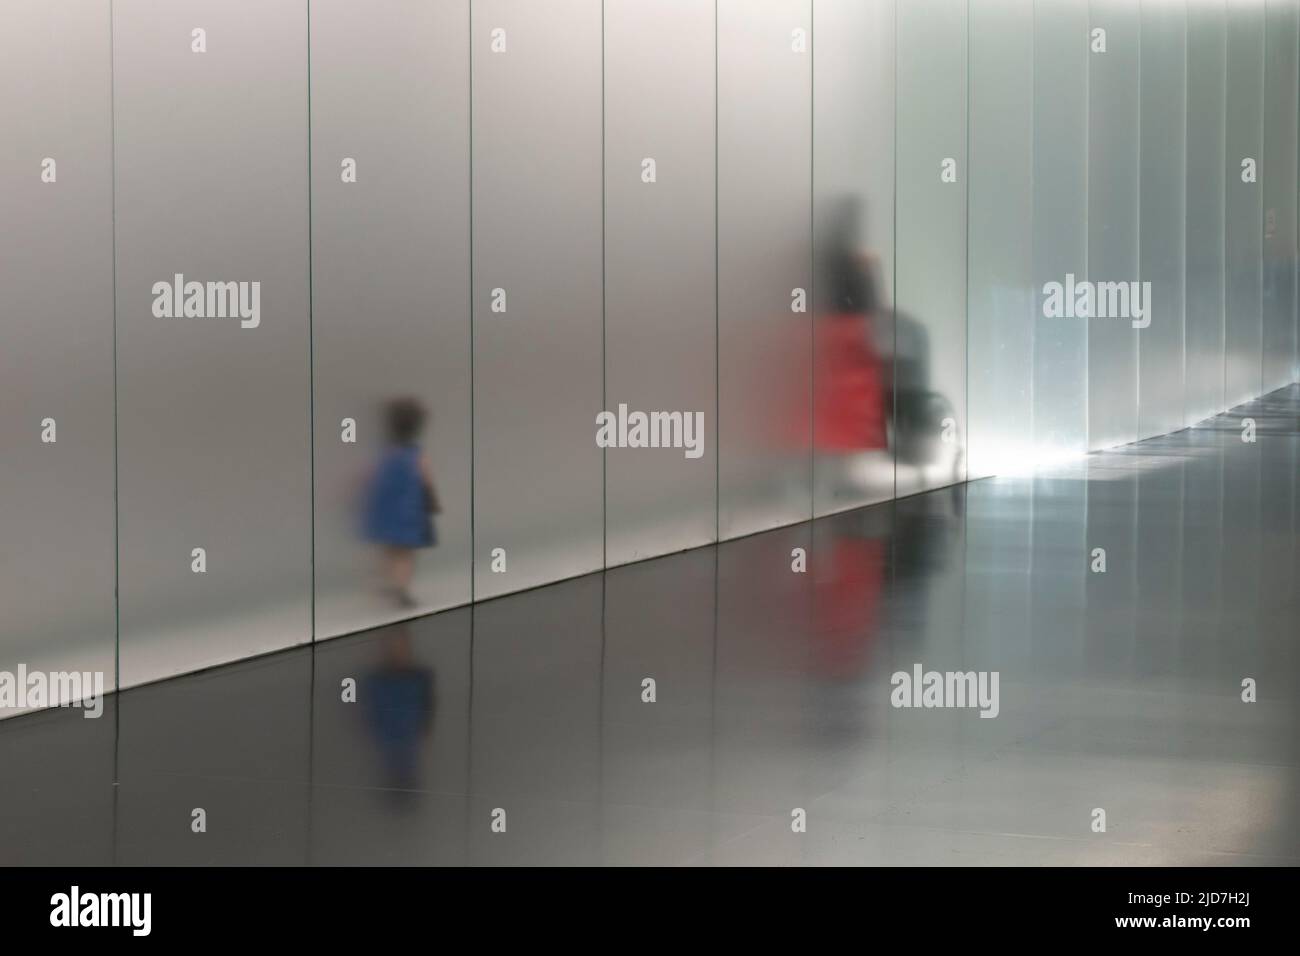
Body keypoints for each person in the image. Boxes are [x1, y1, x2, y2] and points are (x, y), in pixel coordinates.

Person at [363, 397, 439, 608]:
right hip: (410, 511)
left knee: (390, 549)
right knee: (405, 553)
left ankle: (390, 581)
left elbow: (373, 477)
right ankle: (402, 588)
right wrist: (432, 502)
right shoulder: (416, 454)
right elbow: (426, 480)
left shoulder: (387, 452)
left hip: (389, 510)